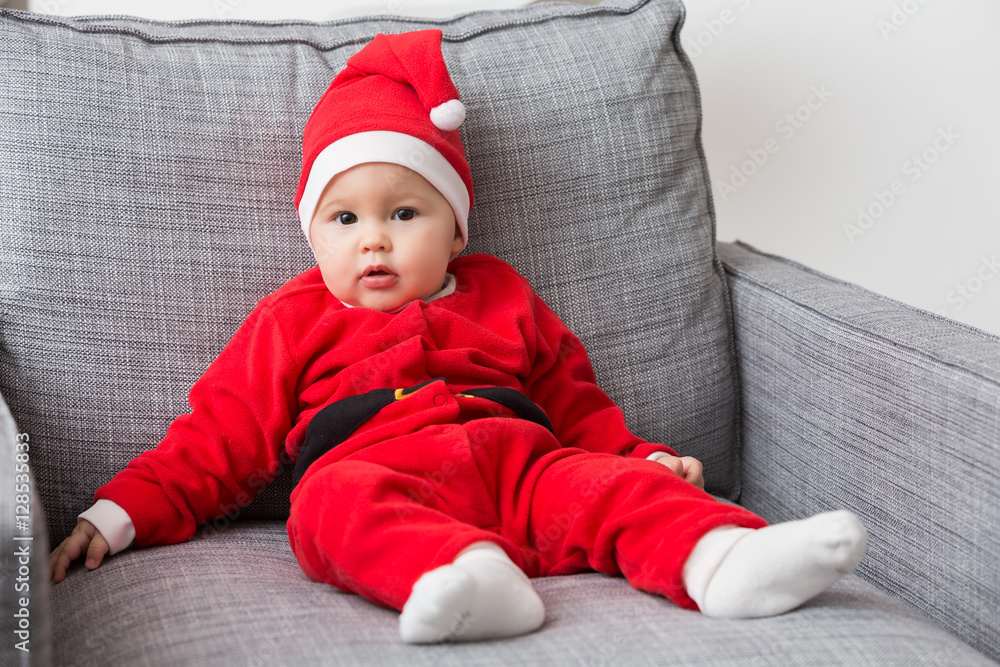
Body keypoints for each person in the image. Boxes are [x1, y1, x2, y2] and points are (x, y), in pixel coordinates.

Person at [49, 29, 867, 644]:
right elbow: (214, 440)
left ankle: (722, 560)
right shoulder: (291, 318)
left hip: (521, 462)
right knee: (327, 511)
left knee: (618, 491)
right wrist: (120, 512)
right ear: (314, 236)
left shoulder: (504, 293)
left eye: (404, 213)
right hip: (372, 464)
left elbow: (574, 403)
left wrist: (639, 457)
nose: (374, 240)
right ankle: (466, 579)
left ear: (454, 228)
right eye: (345, 219)